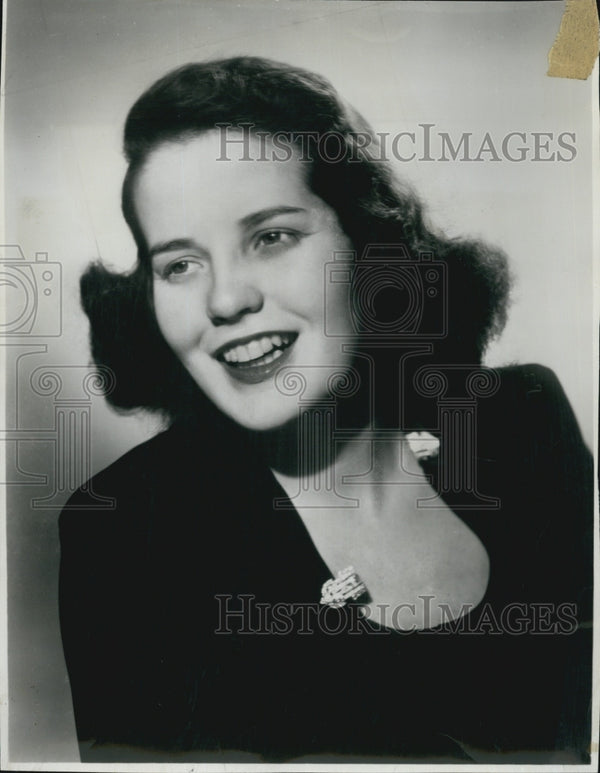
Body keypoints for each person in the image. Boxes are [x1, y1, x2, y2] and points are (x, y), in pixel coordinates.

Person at [59, 56, 593, 763]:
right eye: (179, 264)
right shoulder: (128, 535)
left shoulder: (526, 424)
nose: (225, 300)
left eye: (271, 236)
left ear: (369, 245)